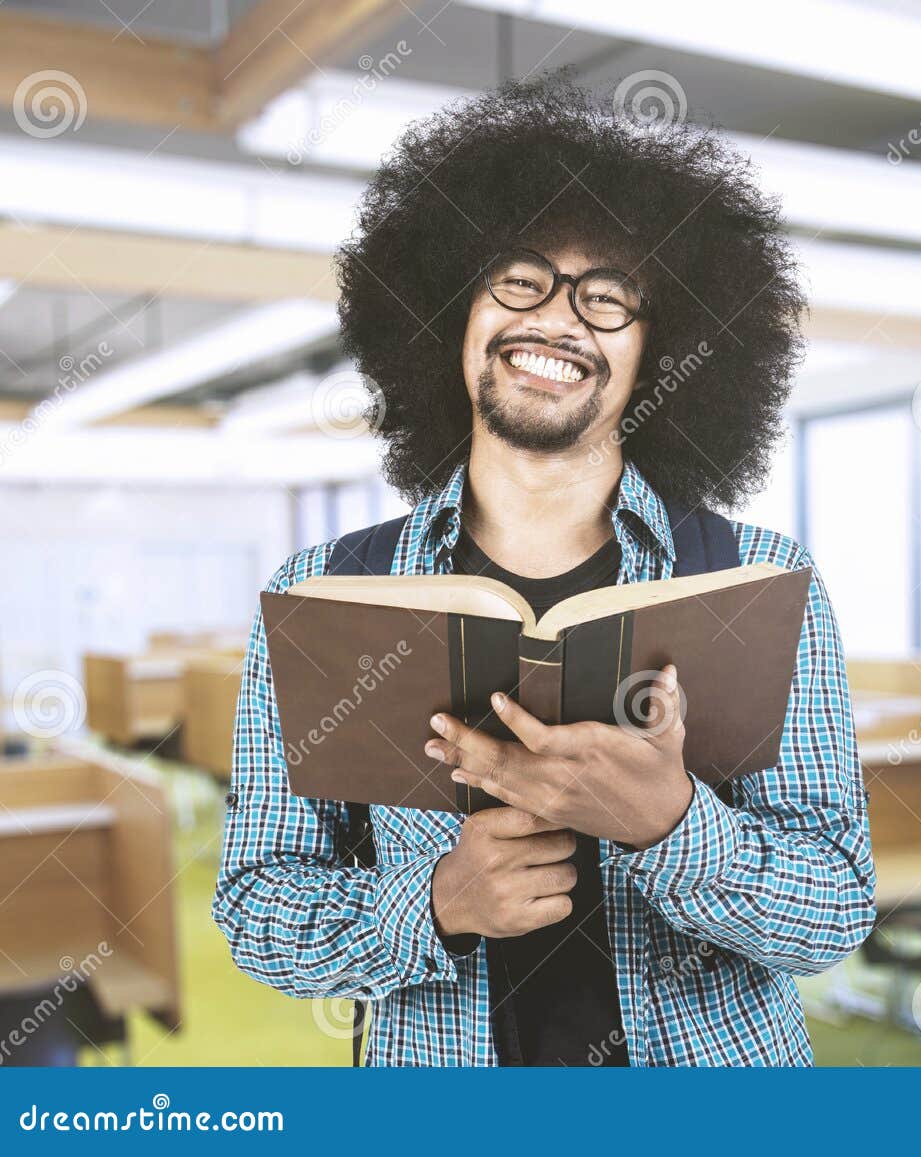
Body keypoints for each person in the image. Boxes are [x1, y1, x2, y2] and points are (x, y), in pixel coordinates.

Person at [213, 77, 875, 1066]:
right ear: (453, 313)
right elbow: (255, 904)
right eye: (520, 280)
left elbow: (833, 912)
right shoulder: (327, 591)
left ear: (657, 355)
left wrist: (673, 825)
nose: (560, 319)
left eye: (608, 299)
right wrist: (434, 903)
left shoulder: (762, 580)